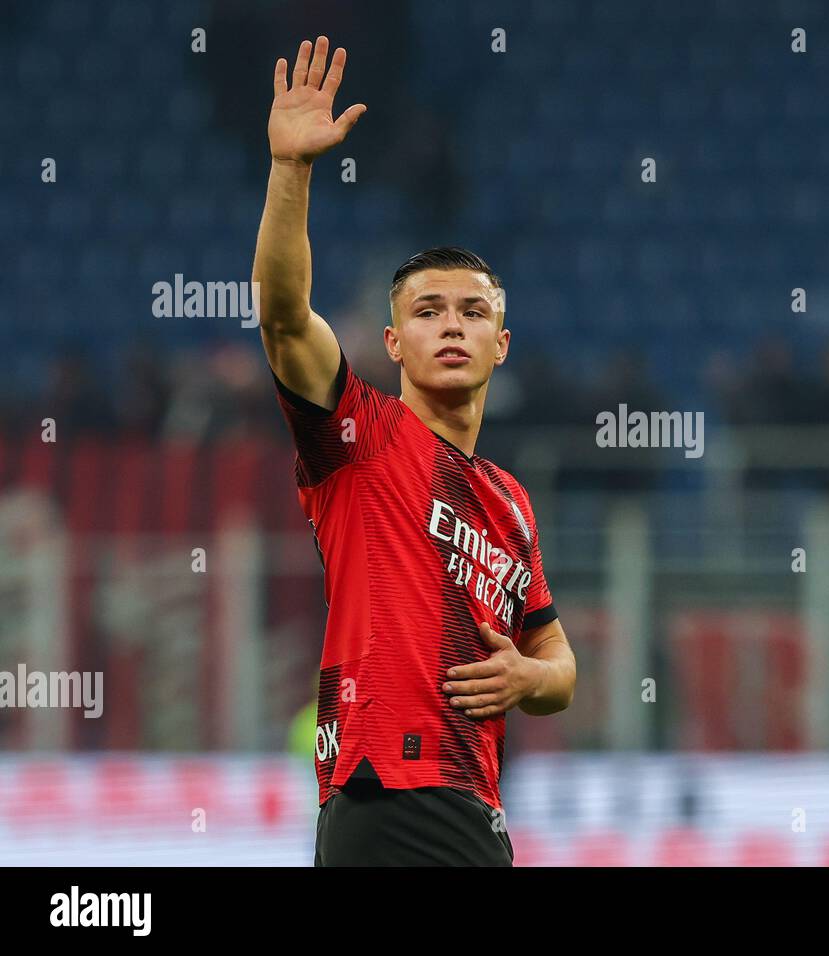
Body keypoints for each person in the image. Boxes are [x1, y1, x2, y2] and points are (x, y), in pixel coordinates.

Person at [252, 36, 576, 866]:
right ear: (393, 342)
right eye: (429, 311)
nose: (453, 325)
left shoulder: (508, 498)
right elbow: (286, 318)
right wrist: (292, 170)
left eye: (472, 311)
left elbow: (557, 659)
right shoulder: (358, 437)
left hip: (476, 805)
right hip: (381, 792)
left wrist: (528, 682)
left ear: (501, 343)